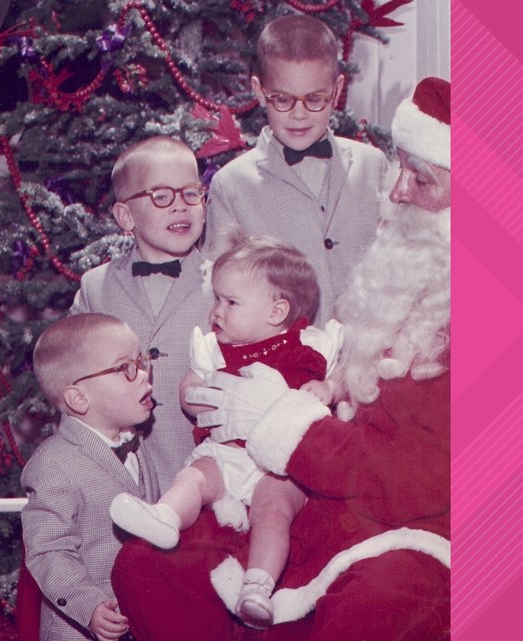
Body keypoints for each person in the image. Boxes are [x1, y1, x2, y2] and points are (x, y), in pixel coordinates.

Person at [111, 76, 452, 641]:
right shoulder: (403, 276)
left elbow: (426, 480)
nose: (396, 193)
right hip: (326, 494)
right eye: (400, 168)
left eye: (422, 179)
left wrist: (285, 423)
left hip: (415, 522)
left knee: (378, 604)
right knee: (147, 567)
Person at [108, 233, 340, 628]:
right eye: (216, 299)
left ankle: (258, 585)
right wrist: (194, 396)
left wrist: (328, 388)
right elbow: (189, 391)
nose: (216, 311)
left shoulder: (311, 345)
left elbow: (343, 382)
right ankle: (165, 517)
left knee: (273, 510)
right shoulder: (213, 349)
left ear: (277, 311)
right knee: (194, 478)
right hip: (226, 453)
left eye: (231, 302)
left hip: (280, 466)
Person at [205, 13, 390, 326]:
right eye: (283, 99)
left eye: (315, 99)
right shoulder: (231, 185)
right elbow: (221, 295)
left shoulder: (373, 165)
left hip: (367, 346)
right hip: (283, 355)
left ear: (337, 90)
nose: (299, 115)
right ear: (259, 91)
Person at [71, 136, 213, 494]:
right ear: (126, 216)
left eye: (191, 194)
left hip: (206, 479)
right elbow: (73, 379)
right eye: (161, 196)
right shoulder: (95, 287)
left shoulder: (225, 284)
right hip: (119, 485)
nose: (180, 207)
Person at [22, 313, 162, 641]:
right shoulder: (52, 464)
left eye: (141, 361)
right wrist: (89, 605)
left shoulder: (138, 446)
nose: (143, 374)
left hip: (140, 619)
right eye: (125, 368)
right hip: (81, 630)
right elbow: (48, 551)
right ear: (79, 398)